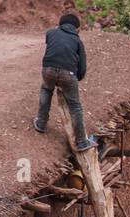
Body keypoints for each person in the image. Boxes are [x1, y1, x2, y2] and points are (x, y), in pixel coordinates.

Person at [33, 13, 95, 151]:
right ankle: (82, 142)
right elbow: (82, 67)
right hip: (68, 74)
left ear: (60, 24)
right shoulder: (78, 41)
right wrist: (76, 78)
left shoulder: (50, 33)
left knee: (46, 90)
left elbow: (54, 48)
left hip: (48, 70)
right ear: (77, 28)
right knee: (75, 106)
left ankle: (41, 123)